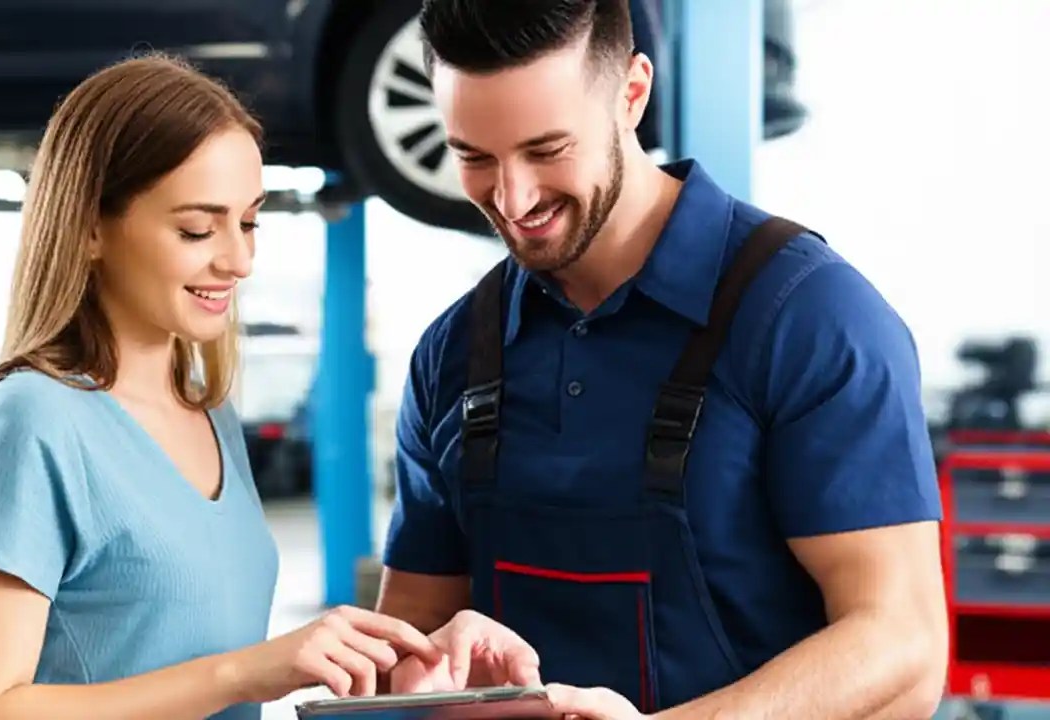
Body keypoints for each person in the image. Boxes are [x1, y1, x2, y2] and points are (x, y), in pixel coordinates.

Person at [378, 1, 950, 718]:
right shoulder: (454, 351)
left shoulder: (807, 316)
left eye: (546, 150)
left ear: (632, 93)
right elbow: (410, 635)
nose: (512, 197)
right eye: (473, 156)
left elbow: (903, 647)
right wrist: (425, 675)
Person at [0, 53, 447, 720]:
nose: (239, 259)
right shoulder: (33, 420)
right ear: (90, 226)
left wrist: (417, 654)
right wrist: (241, 673)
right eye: (198, 229)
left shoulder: (209, 413)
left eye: (250, 222)